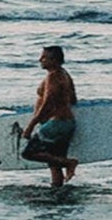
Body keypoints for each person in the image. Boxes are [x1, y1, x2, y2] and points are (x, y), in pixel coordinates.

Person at [20, 43, 79, 187]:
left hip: (56, 124)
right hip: (67, 123)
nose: (40, 60)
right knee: (54, 162)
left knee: (28, 153)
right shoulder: (65, 74)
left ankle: (70, 163)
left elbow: (46, 103)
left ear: (53, 60)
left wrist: (30, 125)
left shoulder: (52, 77)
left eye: (44, 57)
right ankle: (57, 191)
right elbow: (73, 99)